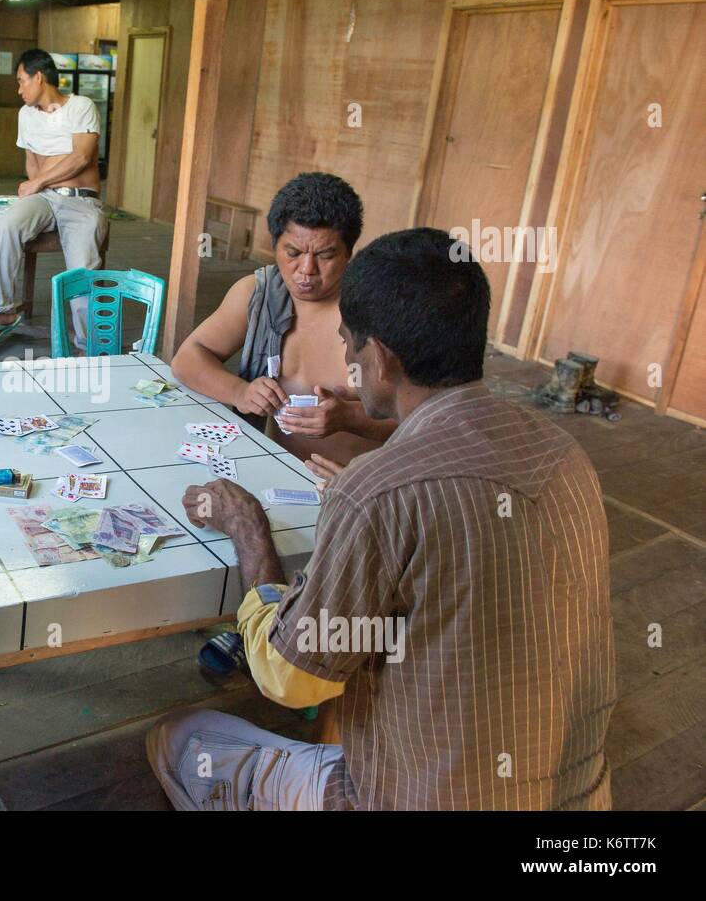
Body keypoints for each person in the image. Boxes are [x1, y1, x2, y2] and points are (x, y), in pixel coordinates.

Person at [151, 228, 615, 810]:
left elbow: (288, 682)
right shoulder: (564, 455)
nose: (346, 357)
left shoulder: (375, 490)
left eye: (350, 345)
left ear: (379, 357)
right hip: (579, 803)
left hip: (408, 798)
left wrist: (249, 531)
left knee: (178, 736)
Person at [171, 173, 395, 479]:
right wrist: (240, 392)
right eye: (293, 253)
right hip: (272, 475)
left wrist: (352, 418)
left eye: (326, 255)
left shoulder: (377, 313)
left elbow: (426, 422)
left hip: (355, 486)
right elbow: (188, 358)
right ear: (274, 244)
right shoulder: (258, 295)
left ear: (349, 253)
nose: (306, 270)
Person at [0, 48, 107, 350]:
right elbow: (32, 162)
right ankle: (2, 311)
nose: (19, 90)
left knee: (82, 269)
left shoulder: (81, 106)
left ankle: (90, 346)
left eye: (21, 82)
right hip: (44, 199)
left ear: (39, 77)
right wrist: (38, 185)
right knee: (8, 223)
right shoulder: (26, 115)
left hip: (80, 200)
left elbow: (81, 158)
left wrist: (40, 181)